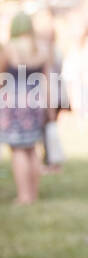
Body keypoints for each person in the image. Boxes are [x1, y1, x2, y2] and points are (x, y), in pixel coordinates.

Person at [0, 12, 52, 205]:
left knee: (18, 149)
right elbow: (47, 81)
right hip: (36, 101)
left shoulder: (9, 48)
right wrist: (50, 110)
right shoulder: (41, 48)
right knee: (31, 148)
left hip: (13, 103)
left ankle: (24, 196)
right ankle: (33, 193)